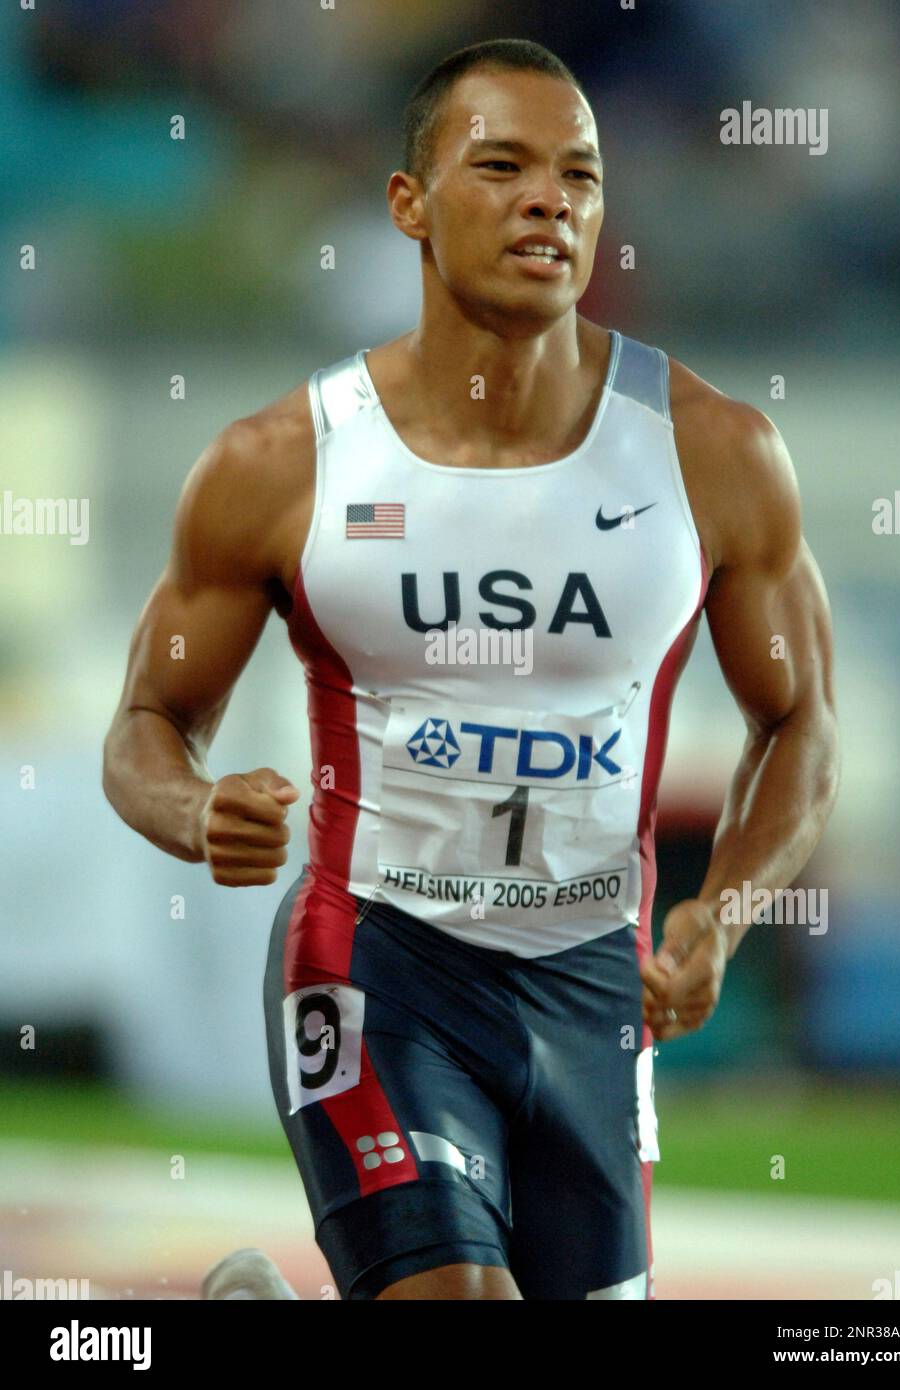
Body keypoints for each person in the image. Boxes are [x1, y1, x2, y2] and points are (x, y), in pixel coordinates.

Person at [103, 38, 839, 1301]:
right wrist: (193, 808)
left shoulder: (715, 454)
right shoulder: (281, 463)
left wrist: (723, 911)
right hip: (380, 953)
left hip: (592, 983)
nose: (549, 200)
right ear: (407, 205)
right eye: (499, 166)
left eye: (579, 176)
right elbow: (148, 720)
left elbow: (801, 723)